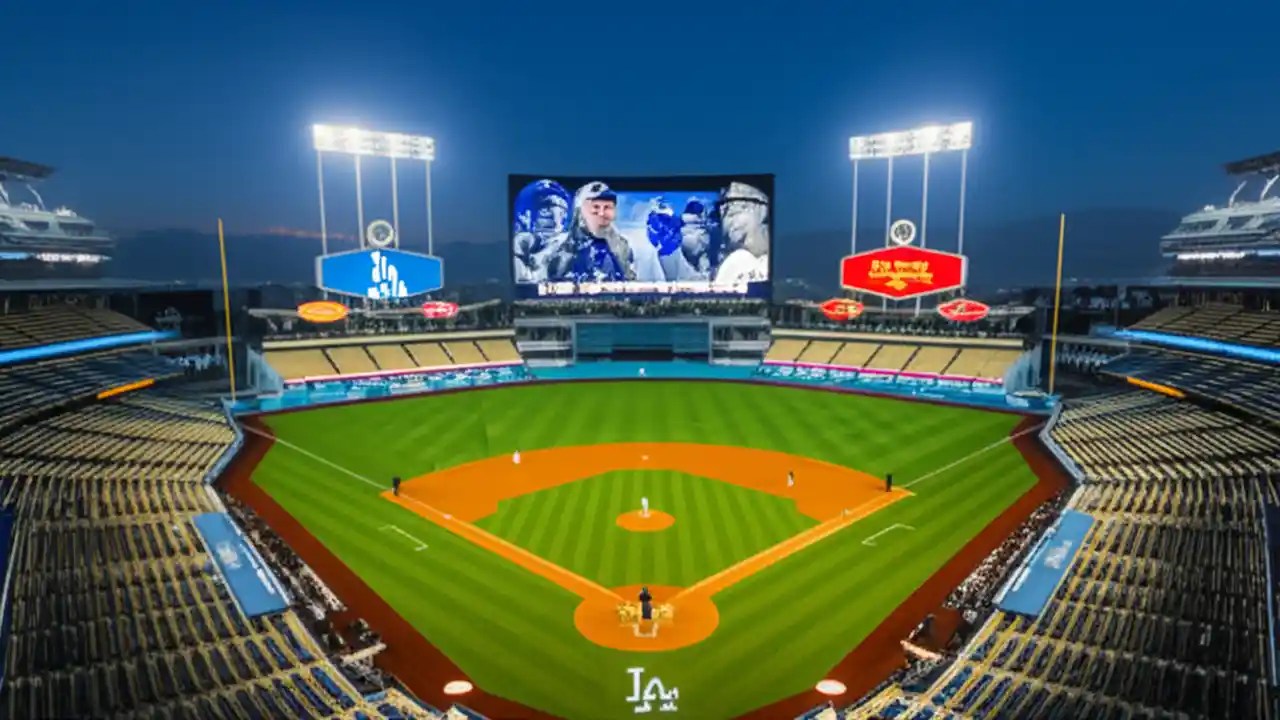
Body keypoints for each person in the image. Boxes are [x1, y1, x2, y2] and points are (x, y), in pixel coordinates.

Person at [544, 182, 637, 283]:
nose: (602, 214)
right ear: (580, 213)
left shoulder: (622, 245)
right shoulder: (559, 247)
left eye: (607, 207)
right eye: (595, 208)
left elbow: (630, 282)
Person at [512, 179, 572, 282]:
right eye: (545, 210)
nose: (555, 219)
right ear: (524, 216)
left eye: (561, 211)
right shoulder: (520, 244)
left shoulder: (574, 246)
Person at [713, 182, 770, 284]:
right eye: (726, 209)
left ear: (762, 211)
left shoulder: (739, 262)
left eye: (742, 207)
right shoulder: (734, 262)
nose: (729, 218)